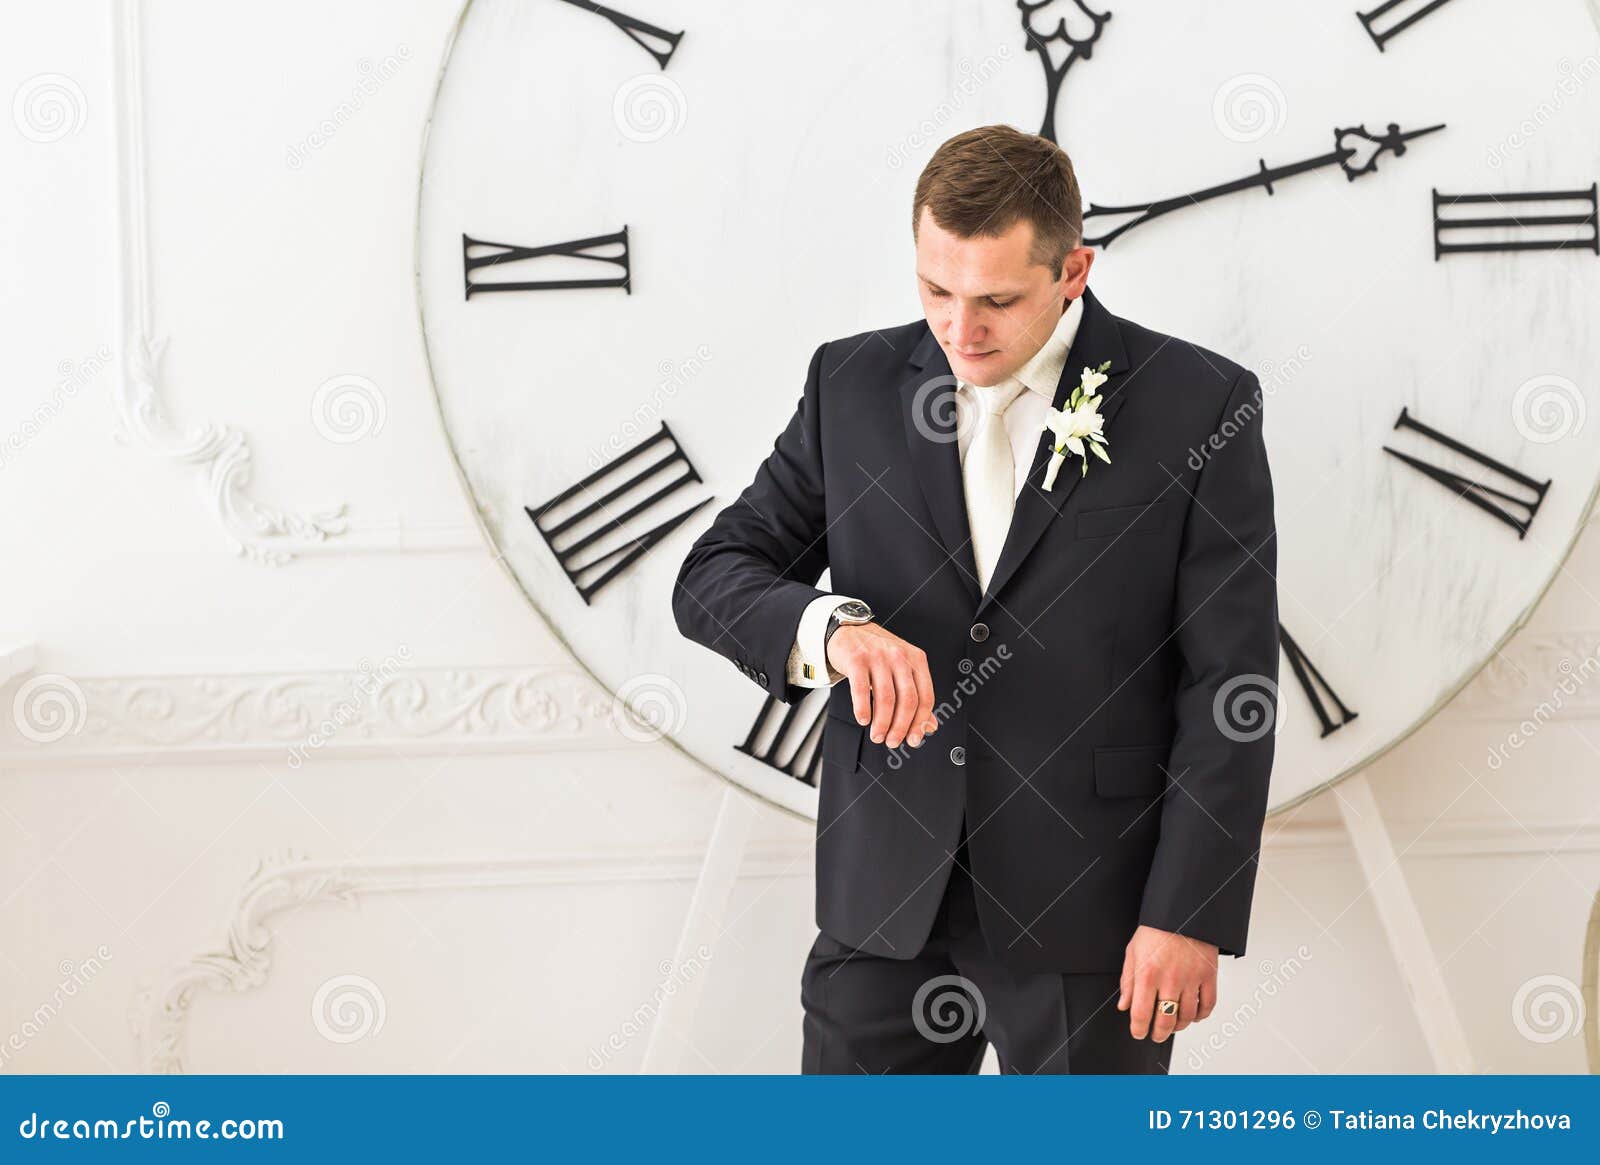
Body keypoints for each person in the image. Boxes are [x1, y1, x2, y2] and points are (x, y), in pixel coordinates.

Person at [671, 124, 1279, 1074]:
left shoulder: (1199, 403)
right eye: (935, 291)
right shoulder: (850, 384)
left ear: (1073, 270)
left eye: (997, 299)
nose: (960, 330)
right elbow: (714, 572)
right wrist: (831, 631)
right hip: (883, 903)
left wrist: (1188, 912)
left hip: (1094, 914)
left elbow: (1230, 684)